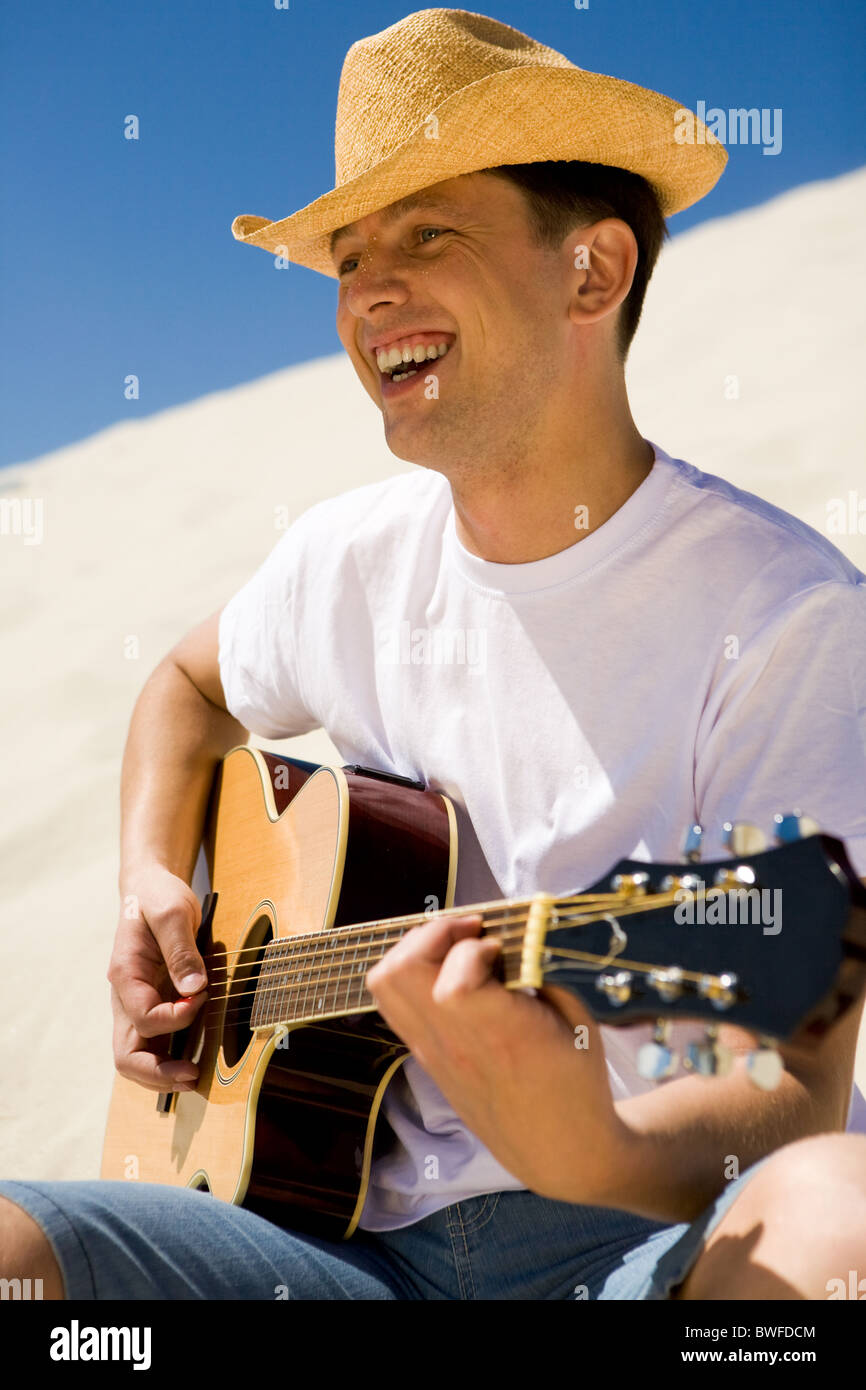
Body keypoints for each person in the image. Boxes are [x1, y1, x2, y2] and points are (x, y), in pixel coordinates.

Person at [2, 8, 865, 1301]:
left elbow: (794, 1094)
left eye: (426, 236)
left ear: (590, 270)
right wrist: (144, 880)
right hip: (329, 1251)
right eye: (348, 260)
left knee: (831, 1224)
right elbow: (181, 689)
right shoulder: (344, 560)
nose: (367, 295)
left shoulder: (782, 614)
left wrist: (594, 1138)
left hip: (638, 1250)